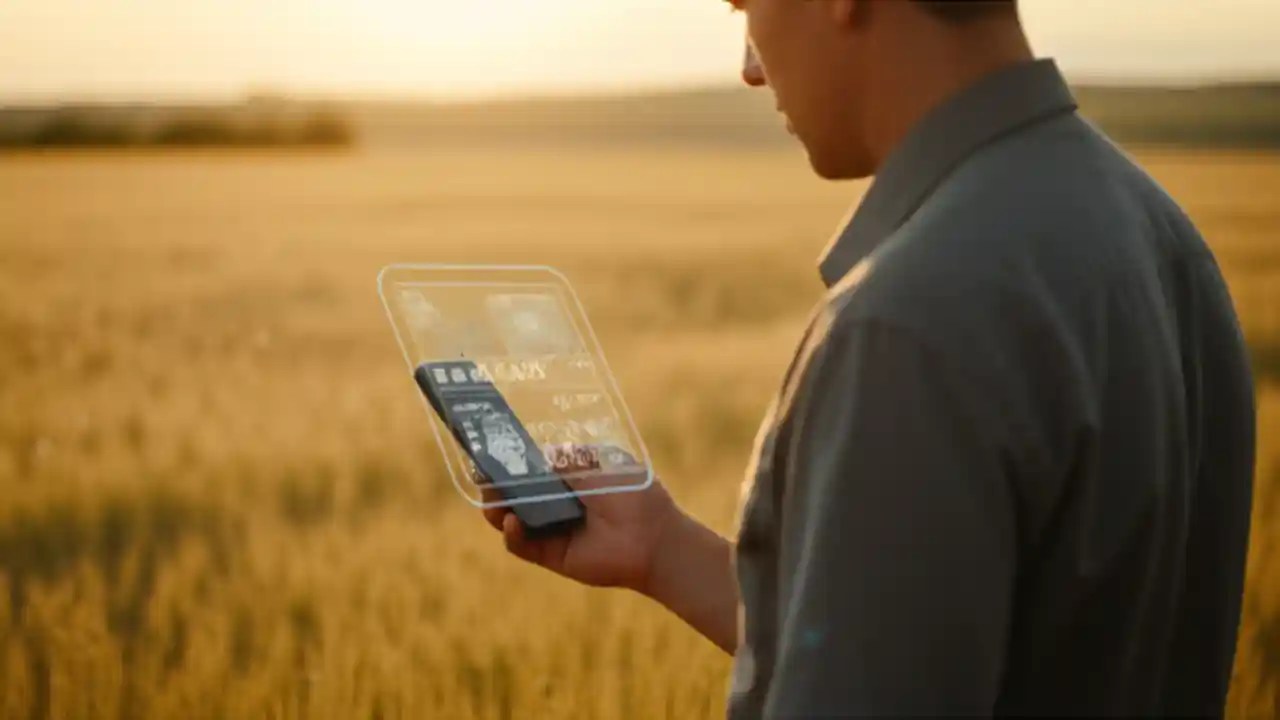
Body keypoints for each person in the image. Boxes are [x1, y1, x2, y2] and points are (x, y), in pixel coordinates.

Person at [482, 0, 1257, 716]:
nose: (749, 66)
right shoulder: (1168, 242)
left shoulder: (906, 326)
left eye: (747, 7)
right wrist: (663, 550)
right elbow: (960, 650)